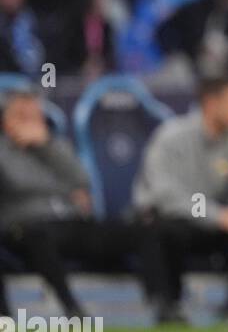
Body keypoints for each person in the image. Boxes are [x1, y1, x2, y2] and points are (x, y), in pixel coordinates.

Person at [132, 75, 228, 323]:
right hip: (176, 218)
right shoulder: (171, 136)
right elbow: (165, 194)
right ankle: (167, 306)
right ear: (210, 103)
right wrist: (218, 216)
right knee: (159, 230)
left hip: (212, 223)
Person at [0, 88, 143, 317]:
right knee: (39, 236)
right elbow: (22, 186)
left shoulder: (55, 146)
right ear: (5, 120)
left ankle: (164, 306)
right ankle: (71, 308)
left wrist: (47, 145)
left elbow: (82, 182)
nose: (29, 122)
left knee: (139, 231)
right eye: (21, 115)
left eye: (33, 115)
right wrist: (66, 192)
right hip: (23, 228)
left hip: (69, 223)